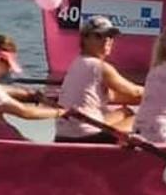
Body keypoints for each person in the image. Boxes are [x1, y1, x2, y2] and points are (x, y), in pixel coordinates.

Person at [55, 16, 144, 144]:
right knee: (143, 118)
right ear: (84, 38)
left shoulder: (77, 62)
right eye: (99, 36)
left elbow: (114, 96)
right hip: (87, 137)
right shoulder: (100, 67)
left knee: (126, 111)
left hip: (63, 135)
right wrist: (164, 93)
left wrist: (145, 99)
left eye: (110, 36)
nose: (107, 40)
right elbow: (135, 92)